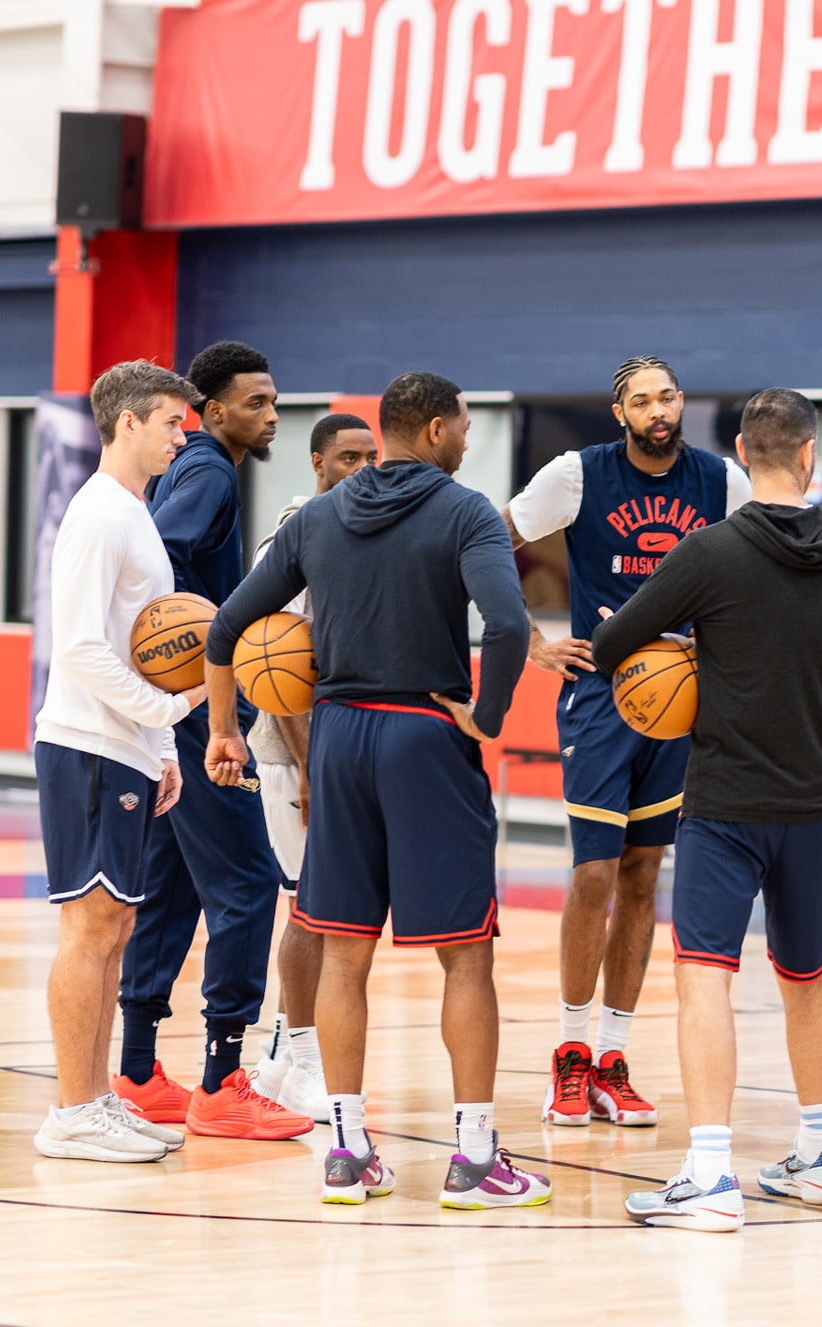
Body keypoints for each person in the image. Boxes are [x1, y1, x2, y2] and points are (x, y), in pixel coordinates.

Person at [204, 372, 549, 1209]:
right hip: (424, 732)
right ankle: (473, 1158)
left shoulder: (317, 515)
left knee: (343, 948)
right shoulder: (466, 510)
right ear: (433, 429)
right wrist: (488, 715)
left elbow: (224, 627)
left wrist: (222, 731)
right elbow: (505, 624)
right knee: (465, 953)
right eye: (464, 424)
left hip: (338, 738)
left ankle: (349, 1150)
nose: (468, 438)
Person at [594, 388, 822, 1234]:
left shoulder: (710, 551)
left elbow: (610, 645)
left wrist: (680, 648)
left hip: (726, 798)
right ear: (811, 458)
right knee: (805, 973)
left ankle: (710, 1171)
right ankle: (819, 1155)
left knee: (705, 975)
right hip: (818, 795)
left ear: (744, 458)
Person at [503, 355, 751, 1128]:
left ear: (681, 403)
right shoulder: (578, 474)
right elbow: (488, 539)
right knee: (594, 876)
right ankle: (570, 1053)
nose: (657, 409)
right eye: (641, 399)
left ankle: (613, 1058)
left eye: (667, 396)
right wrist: (530, 641)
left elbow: (753, 571)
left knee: (645, 876)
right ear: (619, 413)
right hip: (602, 698)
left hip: (680, 703)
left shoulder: (721, 481)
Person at [112, 340, 309, 1141]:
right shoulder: (211, 470)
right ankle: (224, 1080)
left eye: (272, 401)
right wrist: (191, 639)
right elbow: (157, 551)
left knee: (174, 887)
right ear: (212, 410)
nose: (269, 414)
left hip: (178, 710)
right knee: (252, 883)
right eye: (255, 403)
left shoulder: (198, 466)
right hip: (196, 711)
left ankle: (134, 1070)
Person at [31, 360, 204, 1162]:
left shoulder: (133, 511)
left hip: (124, 745)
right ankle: (69, 1112)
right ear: (127, 422)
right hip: (88, 745)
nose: (183, 434)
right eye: (172, 421)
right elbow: (81, 648)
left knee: (117, 924)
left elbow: (146, 649)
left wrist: (160, 745)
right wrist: (166, 714)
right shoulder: (99, 514)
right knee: (91, 926)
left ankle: (95, 1099)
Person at [248, 413, 377, 1125]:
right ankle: (299, 1061)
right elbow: (278, 668)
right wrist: (308, 770)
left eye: (370, 456)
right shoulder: (301, 533)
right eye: (346, 457)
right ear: (318, 464)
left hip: (344, 749)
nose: (360, 467)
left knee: (332, 912)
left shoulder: (363, 531)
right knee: (311, 906)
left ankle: (276, 1057)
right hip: (295, 754)